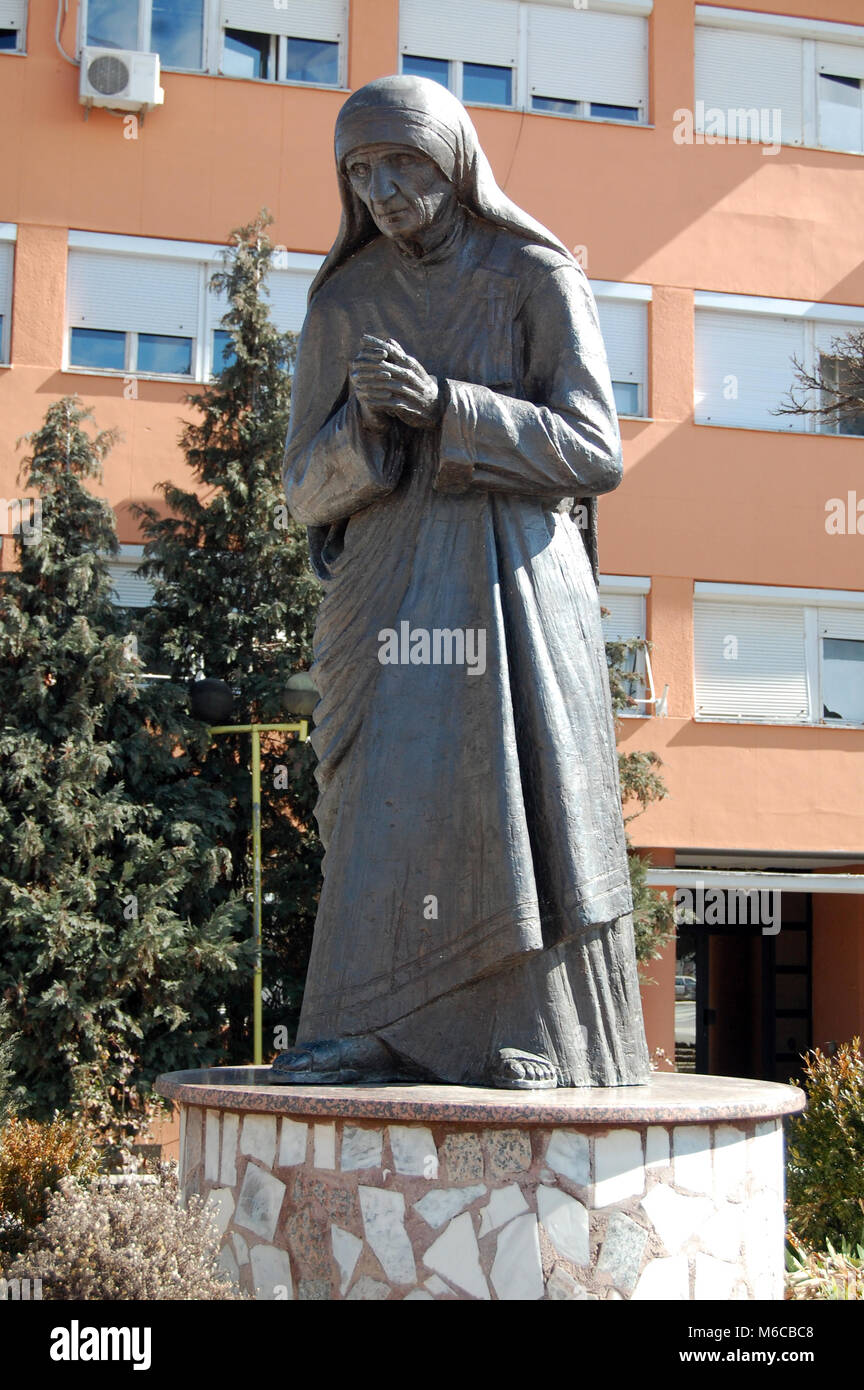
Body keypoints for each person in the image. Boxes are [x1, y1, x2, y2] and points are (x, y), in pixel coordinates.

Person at [274, 75, 650, 1089]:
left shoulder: (531, 273)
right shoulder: (344, 300)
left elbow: (594, 447)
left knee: (507, 791)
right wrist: (370, 426)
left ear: (453, 160)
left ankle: (527, 1027)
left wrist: (447, 405)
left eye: (403, 163)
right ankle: (369, 1027)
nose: (384, 188)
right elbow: (304, 487)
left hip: (509, 580)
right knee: (384, 798)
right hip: (387, 585)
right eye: (360, 172)